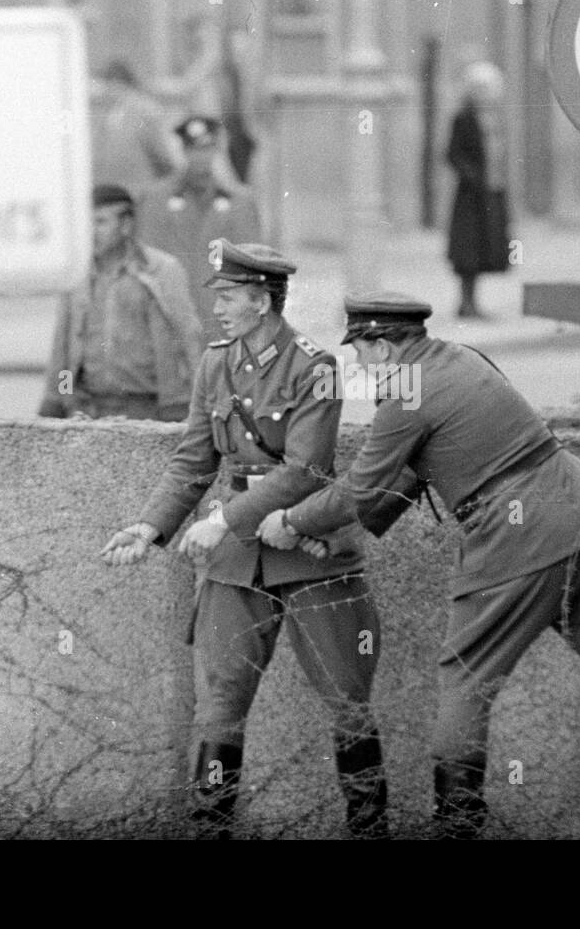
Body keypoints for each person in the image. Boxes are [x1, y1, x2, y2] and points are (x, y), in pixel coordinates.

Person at [257, 292, 580, 839]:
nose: (359, 367)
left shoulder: (404, 393)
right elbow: (414, 474)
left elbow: (360, 486)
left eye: (361, 354)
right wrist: (345, 532)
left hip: (519, 536)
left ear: (381, 344)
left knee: (465, 679)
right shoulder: (464, 358)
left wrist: (295, 521)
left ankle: (458, 826)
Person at [97, 241, 389, 839]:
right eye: (219, 297)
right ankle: (212, 827)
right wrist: (150, 525)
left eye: (229, 298)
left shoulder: (315, 368)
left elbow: (305, 470)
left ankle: (370, 829)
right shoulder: (215, 363)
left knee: (348, 700)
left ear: (262, 301)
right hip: (235, 561)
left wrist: (222, 520)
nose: (219, 309)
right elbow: (192, 461)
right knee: (220, 706)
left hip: (309, 551)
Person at [38, 185, 202, 421]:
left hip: (148, 410)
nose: (92, 232)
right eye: (87, 224)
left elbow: (189, 337)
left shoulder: (161, 270)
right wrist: (58, 401)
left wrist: (188, 407)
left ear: (125, 225)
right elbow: (63, 350)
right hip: (87, 410)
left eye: (100, 222)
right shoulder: (78, 275)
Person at [141, 116, 264, 334]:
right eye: (193, 150)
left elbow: (253, 267)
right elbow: (147, 261)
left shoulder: (240, 202)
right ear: (184, 152)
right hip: (172, 323)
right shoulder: (156, 199)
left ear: (217, 151)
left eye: (207, 149)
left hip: (222, 322)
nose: (200, 157)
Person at [446, 62, 512, 319]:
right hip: (471, 197)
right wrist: (472, 176)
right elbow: (452, 154)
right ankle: (466, 302)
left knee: (485, 249)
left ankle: (473, 302)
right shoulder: (463, 118)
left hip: (492, 192)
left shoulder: (495, 118)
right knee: (468, 252)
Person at [90, 60, 182, 209]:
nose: (103, 90)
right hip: (111, 201)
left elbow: (163, 159)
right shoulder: (106, 116)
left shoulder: (144, 112)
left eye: (106, 84)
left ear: (117, 83)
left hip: (140, 200)